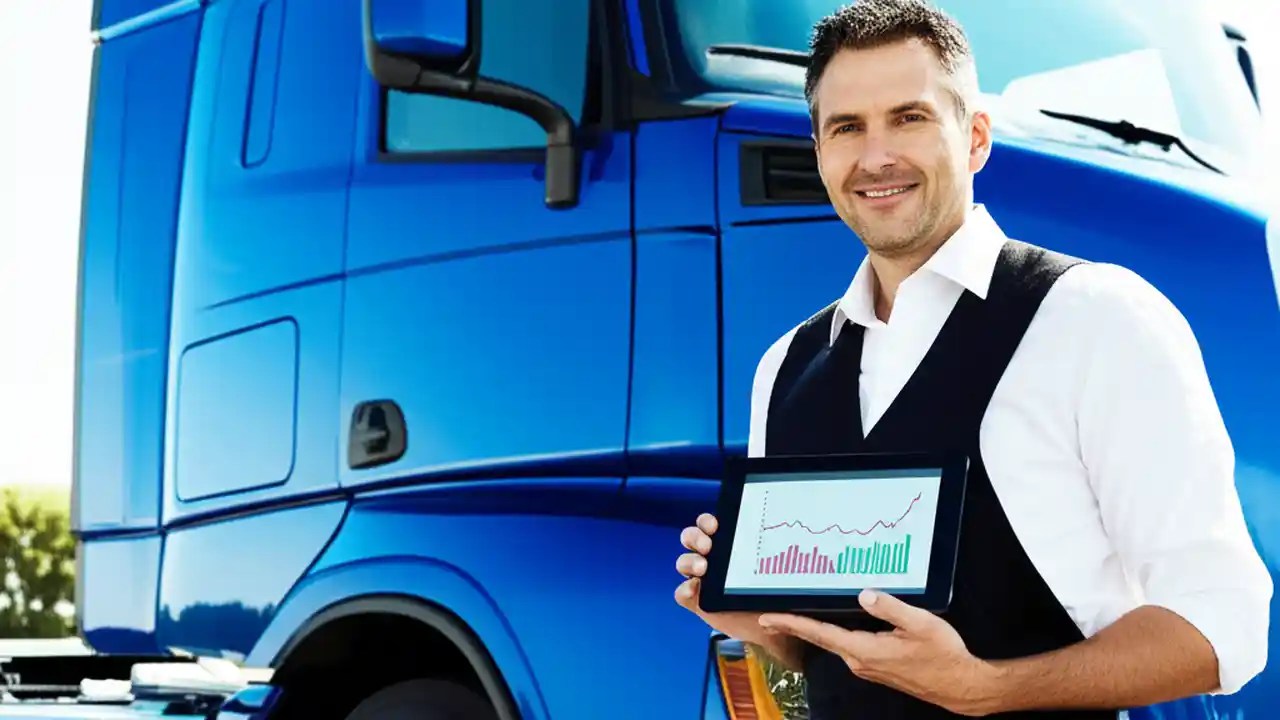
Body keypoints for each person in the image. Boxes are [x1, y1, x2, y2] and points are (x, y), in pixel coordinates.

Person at [673, 0, 1272, 718]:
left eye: (909, 117)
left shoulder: (1095, 319)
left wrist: (989, 690)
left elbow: (1224, 627)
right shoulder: (786, 368)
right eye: (846, 128)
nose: (875, 156)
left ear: (976, 138)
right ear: (820, 153)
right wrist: (764, 628)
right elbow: (828, 662)